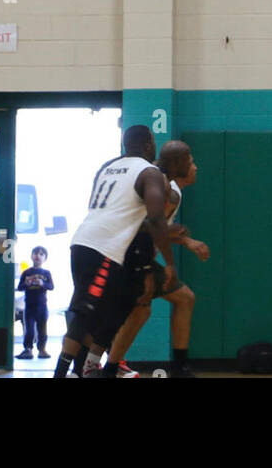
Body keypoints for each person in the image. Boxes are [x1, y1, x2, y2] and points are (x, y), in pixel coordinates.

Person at [53, 124, 172, 379]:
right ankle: (64, 373)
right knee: (87, 313)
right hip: (103, 250)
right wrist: (169, 262)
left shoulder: (107, 167)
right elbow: (155, 218)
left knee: (121, 304)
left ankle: (93, 368)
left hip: (83, 242)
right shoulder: (149, 172)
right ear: (149, 143)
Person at [101, 141, 209, 378]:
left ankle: (109, 367)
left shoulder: (161, 182)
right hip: (131, 256)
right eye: (191, 162)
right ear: (180, 165)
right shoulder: (171, 192)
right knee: (183, 299)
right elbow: (151, 227)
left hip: (117, 251)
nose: (196, 167)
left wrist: (182, 240)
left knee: (141, 311)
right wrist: (186, 244)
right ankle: (179, 367)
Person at [16, 246, 53, 359]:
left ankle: (42, 349)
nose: (38, 256)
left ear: (45, 258)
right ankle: (28, 349)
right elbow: (20, 287)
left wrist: (42, 284)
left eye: (41, 254)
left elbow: (51, 286)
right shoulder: (26, 272)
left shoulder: (46, 273)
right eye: (36, 253)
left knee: (42, 330)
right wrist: (26, 284)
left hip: (42, 306)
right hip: (29, 306)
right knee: (29, 330)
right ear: (31, 256)